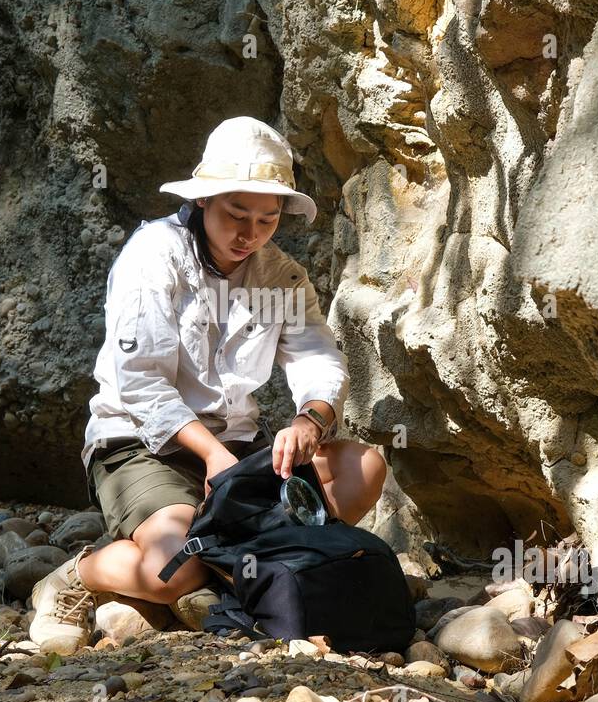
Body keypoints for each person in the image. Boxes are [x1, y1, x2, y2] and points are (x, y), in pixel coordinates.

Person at [27, 116, 388, 652]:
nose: (250, 234)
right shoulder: (155, 255)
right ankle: (76, 578)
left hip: (238, 451)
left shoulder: (282, 276)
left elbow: (318, 358)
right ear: (202, 202)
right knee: (173, 570)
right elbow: (140, 381)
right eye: (236, 215)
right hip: (142, 445)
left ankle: (228, 572)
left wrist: (310, 420)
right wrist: (215, 460)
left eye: (267, 220)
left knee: (365, 467)